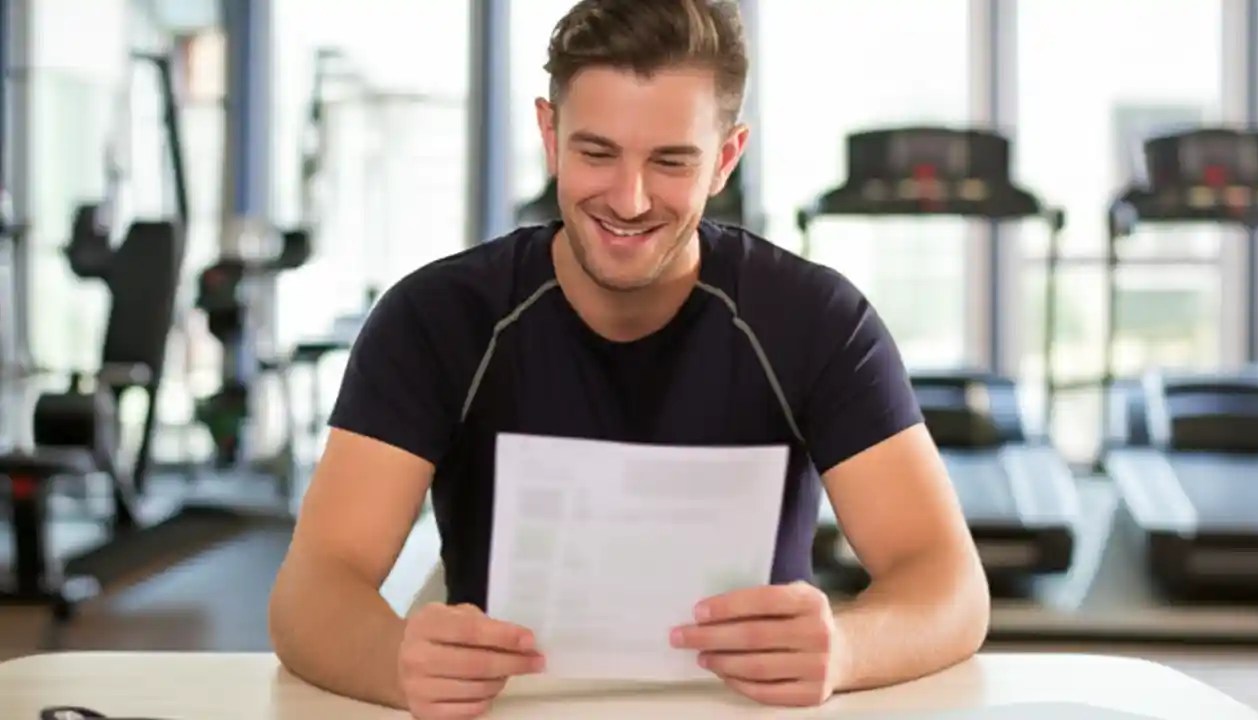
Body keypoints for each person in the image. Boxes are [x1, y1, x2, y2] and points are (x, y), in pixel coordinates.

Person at [268, 0, 990, 717]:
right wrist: (395, 663)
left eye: (671, 161)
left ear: (725, 159)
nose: (630, 198)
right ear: (550, 135)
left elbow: (948, 584)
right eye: (597, 152)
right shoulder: (434, 320)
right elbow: (314, 589)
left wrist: (847, 648)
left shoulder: (817, 321)